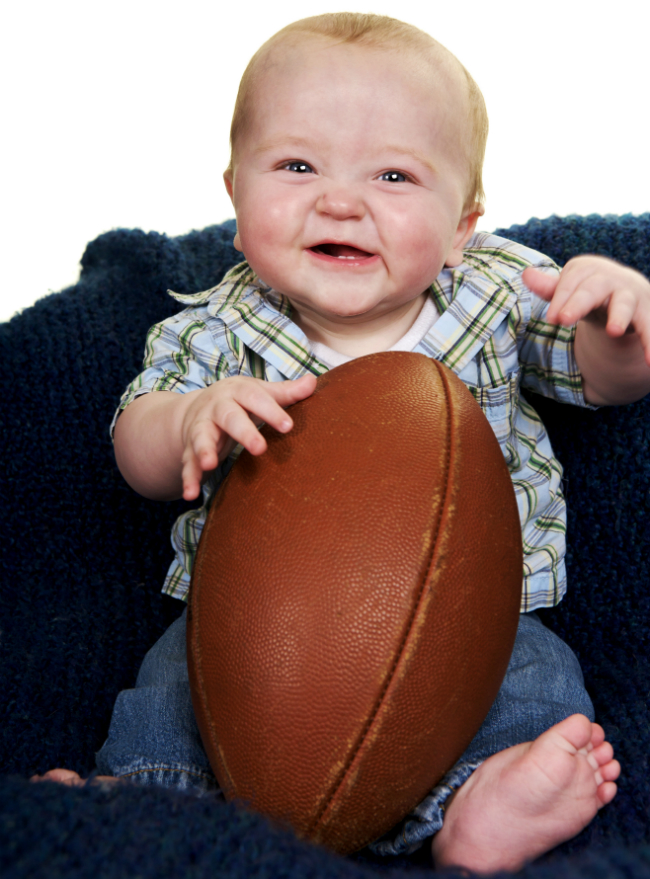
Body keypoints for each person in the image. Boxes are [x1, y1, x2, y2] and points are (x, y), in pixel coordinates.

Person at [34, 12, 650, 873]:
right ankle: (141, 795)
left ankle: (476, 806)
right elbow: (135, 450)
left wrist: (619, 320)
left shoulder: (496, 297)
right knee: (173, 692)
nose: (340, 199)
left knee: (536, 683)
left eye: (394, 175)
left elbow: (607, 380)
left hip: (469, 618)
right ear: (235, 200)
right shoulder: (217, 329)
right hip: (253, 625)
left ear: (463, 222)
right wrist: (188, 421)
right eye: (296, 165)